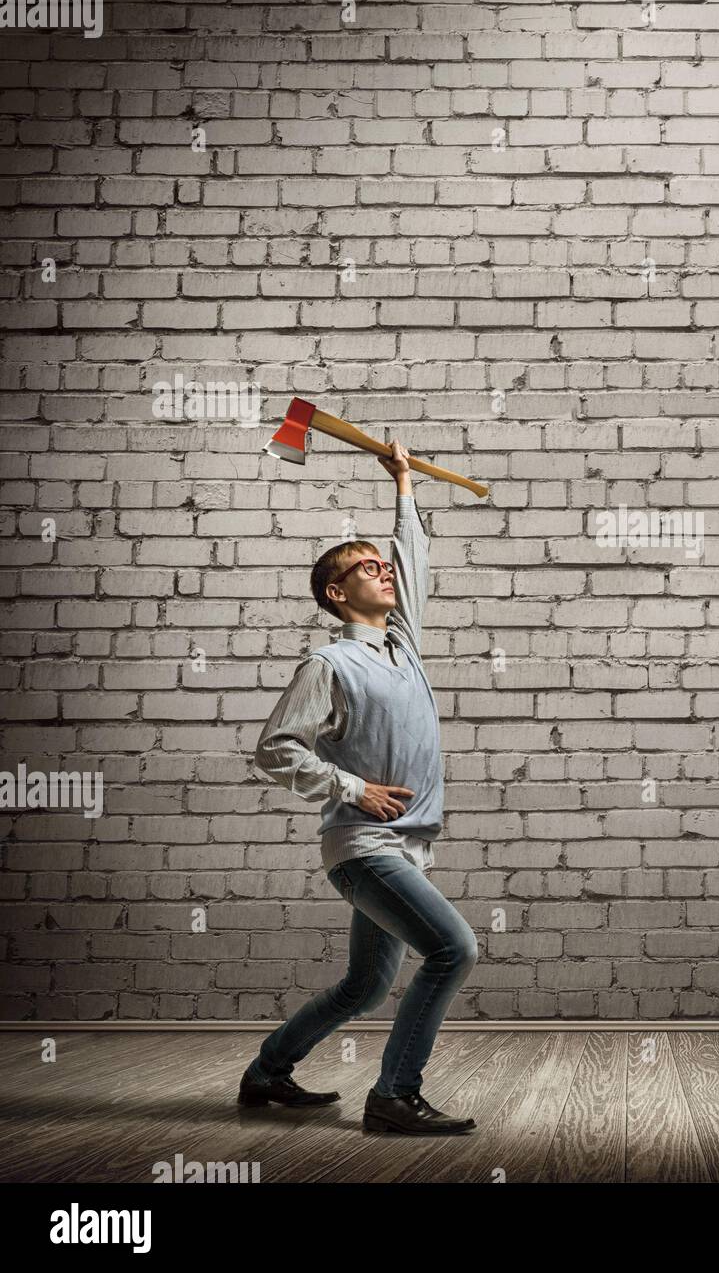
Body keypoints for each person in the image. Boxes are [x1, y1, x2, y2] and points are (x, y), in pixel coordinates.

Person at [238, 438, 478, 1135]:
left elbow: (414, 562)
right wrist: (350, 785)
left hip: (406, 848)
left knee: (366, 984)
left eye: (382, 562)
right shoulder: (330, 662)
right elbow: (274, 749)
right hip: (364, 844)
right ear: (337, 594)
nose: (384, 569)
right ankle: (394, 1097)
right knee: (453, 949)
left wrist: (403, 483)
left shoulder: (404, 644)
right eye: (365, 566)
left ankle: (267, 1072)